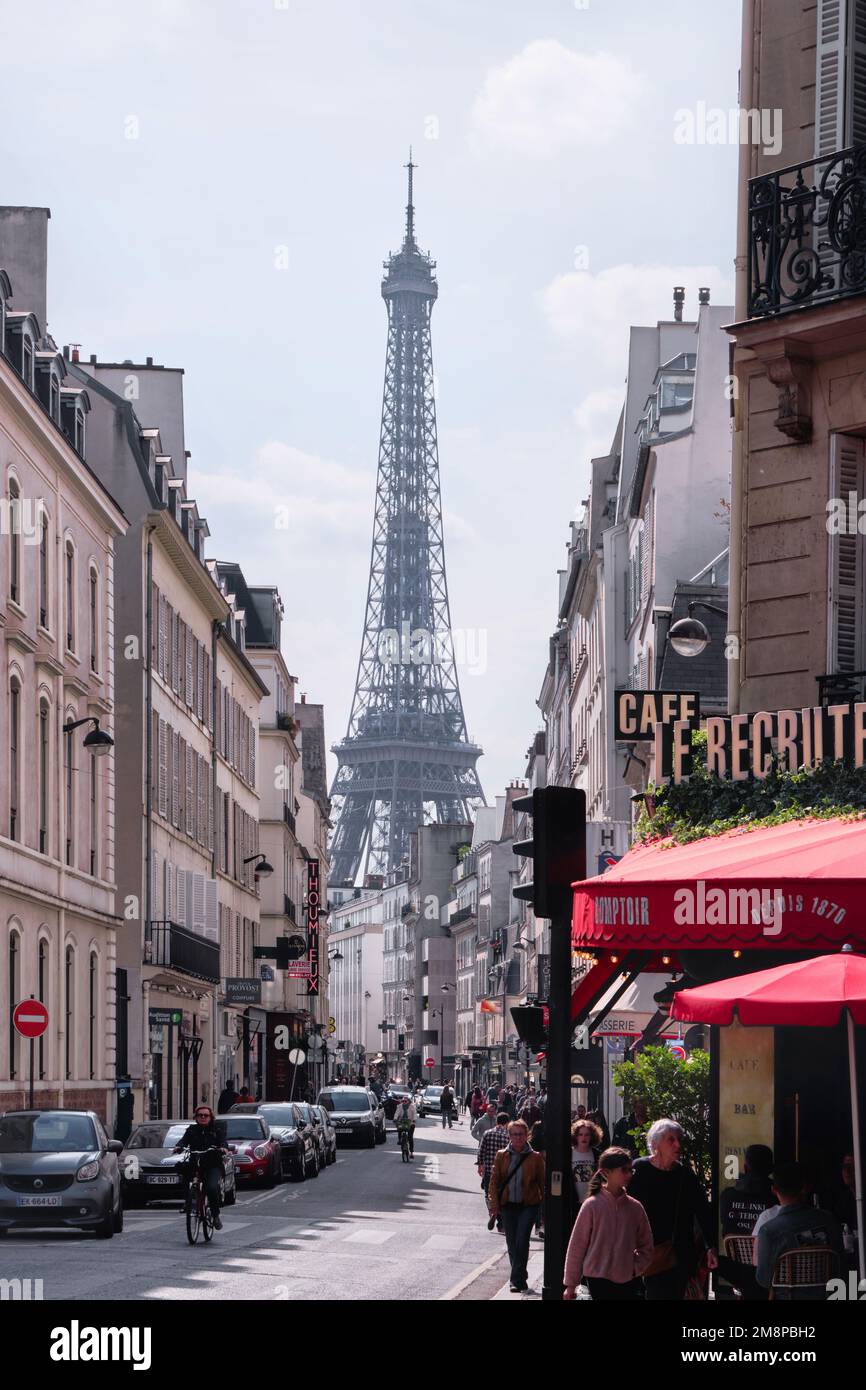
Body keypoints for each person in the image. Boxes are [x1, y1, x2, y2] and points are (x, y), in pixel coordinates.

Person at [627, 1118, 718, 1300]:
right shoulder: (639, 1170)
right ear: (656, 1144)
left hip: (680, 1253)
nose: (678, 1144)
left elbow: (703, 1212)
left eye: (679, 1139)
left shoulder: (685, 1175)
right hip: (648, 1251)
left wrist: (710, 1247)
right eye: (671, 1139)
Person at [563, 1148, 654, 1301]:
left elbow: (647, 1244)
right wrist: (571, 1284)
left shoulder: (635, 1207)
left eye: (631, 1170)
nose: (628, 1174)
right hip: (596, 1278)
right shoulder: (591, 1205)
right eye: (623, 1170)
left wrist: (635, 1268)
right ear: (606, 1173)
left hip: (627, 1279)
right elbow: (577, 1246)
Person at [755, 1162, 842, 1299]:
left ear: (773, 1190)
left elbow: (764, 1280)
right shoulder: (829, 1220)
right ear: (806, 1187)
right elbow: (839, 1265)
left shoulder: (769, 1231)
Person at [487, 1119, 545, 1293]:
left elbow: (542, 1183)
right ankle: (520, 1277)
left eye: (520, 1134)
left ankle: (514, 1280)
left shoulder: (535, 1158)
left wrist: (545, 1209)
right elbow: (494, 1181)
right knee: (512, 1243)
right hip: (508, 1205)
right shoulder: (501, 1155)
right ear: (509, 1136)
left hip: (528, 1205)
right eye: (514, 1134)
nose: (517, 1138)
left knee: (522, 1241)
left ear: (526, 1134)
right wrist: (494, 1204)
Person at [714, 1144, 777, 1301]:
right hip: (770, 1270)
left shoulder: (727, 1196)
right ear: (771, 1168)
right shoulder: (776, 1197)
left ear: (745, 1167)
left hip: (738, 1270)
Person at [173, 1105, 229, 1230]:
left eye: (206, 1115)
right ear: (196, 1117)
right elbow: (183, 1140)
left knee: (211, 1187)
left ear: (211, 1117)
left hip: (212, 1164)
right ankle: (188, 1202)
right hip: (195, 1162)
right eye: (200, 1115)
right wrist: (179, 1146)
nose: (203, 1117)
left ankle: (215, 1215)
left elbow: (223, 1141)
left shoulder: (216, 1129)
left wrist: (223, 1148)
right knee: (185, 1176)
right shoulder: (192, 1130)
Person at [478, 1112, 511, 1232]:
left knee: (489, 1193)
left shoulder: (487, 1133)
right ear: (507, 1123)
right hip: (503, 1171)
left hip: (488, 1170)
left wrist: (480, 1165)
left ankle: (492, 1211)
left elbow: (481, 1151)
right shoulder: (508, 1136)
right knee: (502, 1195)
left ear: (497, 1121)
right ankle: (501, 1222)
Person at [572, 1119, 603, 1210]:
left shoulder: (597, 1155)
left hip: (593, 1202)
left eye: (587, 1135)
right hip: (574, 1203)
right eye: (580, 1135)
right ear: (576, 1136)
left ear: (592, 1136)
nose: (583, 1138)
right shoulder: (569, 1154)